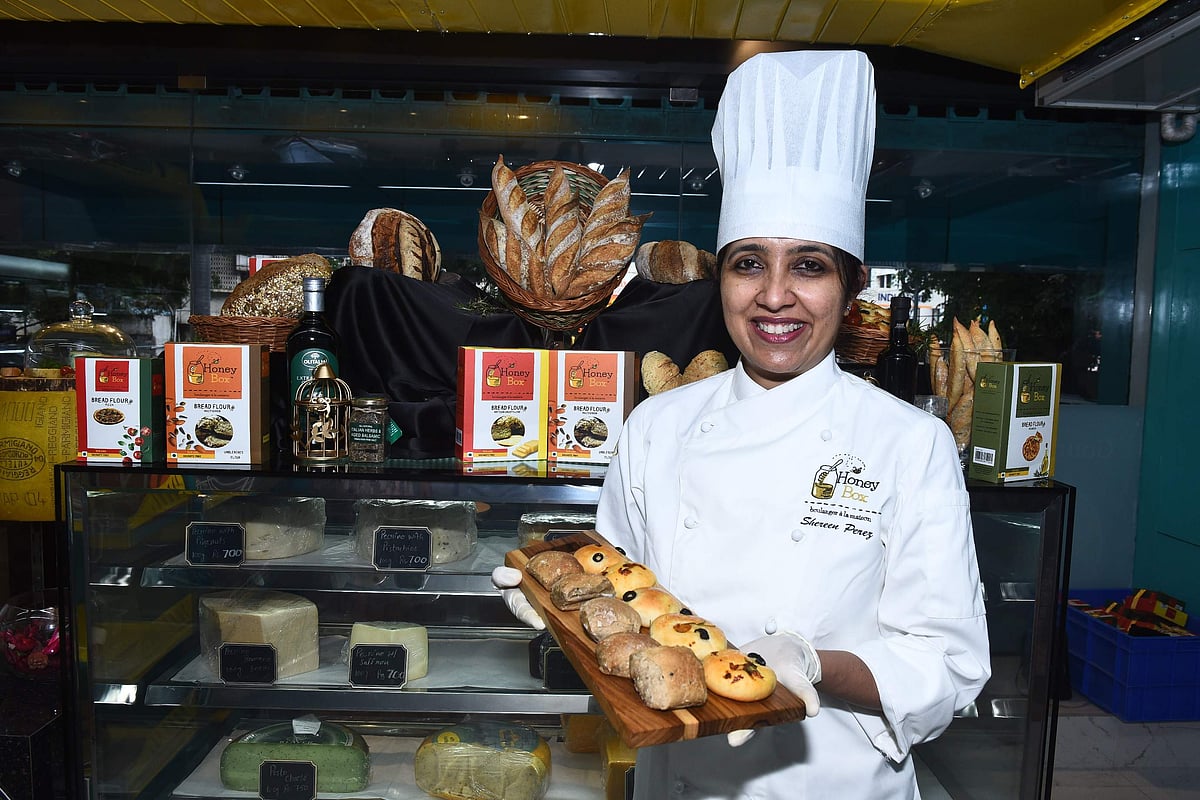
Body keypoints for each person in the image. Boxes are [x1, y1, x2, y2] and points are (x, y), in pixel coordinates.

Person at [497, 49, 990, 800]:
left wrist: (813, 663)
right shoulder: (657, 426)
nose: (776, 297)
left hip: (838, 783)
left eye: (811, 266)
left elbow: (947, 665)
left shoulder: (907, 442)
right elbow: (620, 599)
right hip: (682, 779)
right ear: (719, 276)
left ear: (851, 286)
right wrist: (561, 608)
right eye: (750, 263)